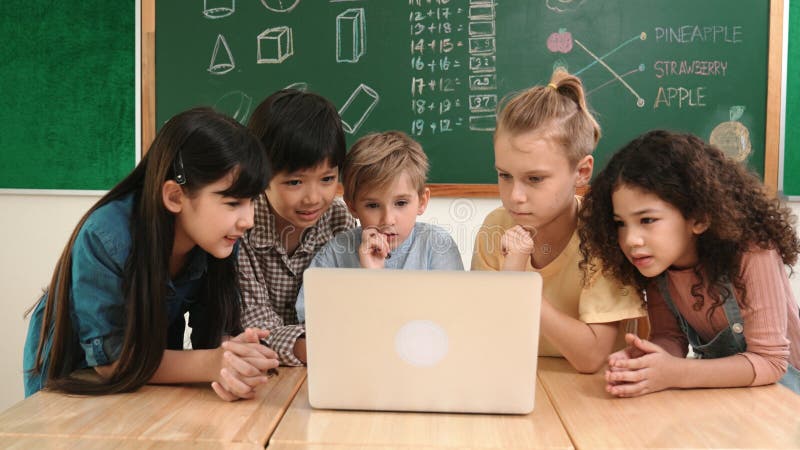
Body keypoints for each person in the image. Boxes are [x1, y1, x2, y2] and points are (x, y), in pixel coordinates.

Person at [24, 108, 279, 400]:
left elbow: (211, 341)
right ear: (174, 196)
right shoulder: (108, 235)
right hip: (71, 378)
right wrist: (214, 363)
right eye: (233, 203)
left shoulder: (218, 238)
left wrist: (236, 358)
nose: (249, 219)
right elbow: (111, 361)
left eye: (252, 201)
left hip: (144, 381)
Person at [580, 129, 800, 396]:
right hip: (735, 398)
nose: (631, 239)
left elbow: (771, 361)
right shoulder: (656, 265)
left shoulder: (753, 251)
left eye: (647, 220)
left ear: (698, 217)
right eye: (620, 224)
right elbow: (670, 337)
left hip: (787, 398)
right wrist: (648, 361)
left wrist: (673, 372)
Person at [471, 70, 646, 373]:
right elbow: (483, 335)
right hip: (521, 380)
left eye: (535, 179)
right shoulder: (496, 226)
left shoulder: (603, 235)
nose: (516, 196)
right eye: (504, 175)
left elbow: (592, 357)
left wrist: (521, 287)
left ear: (581, 172)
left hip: (593, 397)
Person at [238, 89, 356, 366]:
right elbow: (257, 327)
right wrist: (325, 346)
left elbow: (349, 305)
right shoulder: (242, 225)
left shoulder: (339, 219)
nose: (313, 198)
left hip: (325, 368)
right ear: (261, 174)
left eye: (327, 179)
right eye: (294, 182)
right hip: (258, 371)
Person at [295, 131, 464, 322]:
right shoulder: (334, 254)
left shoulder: (437, 246)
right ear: (352, 206)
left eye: (401, 203)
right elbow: (312, 322)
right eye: (373, 206)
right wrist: (371, 280)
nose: (388, 219)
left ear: (422, 201)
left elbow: (453, 317)